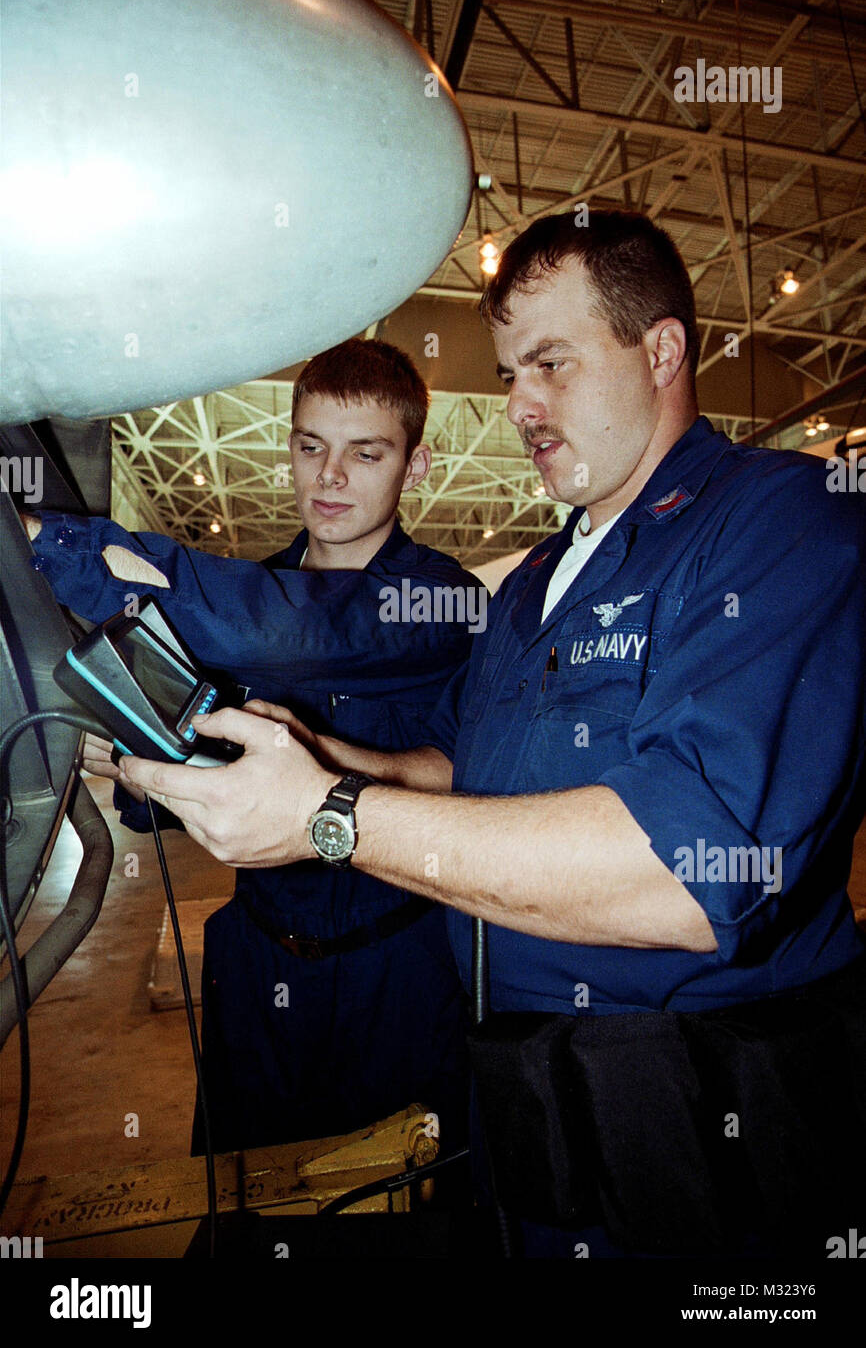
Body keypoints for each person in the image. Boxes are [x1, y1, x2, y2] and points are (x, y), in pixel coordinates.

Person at [116, 211, 866, 1257]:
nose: (517, 403)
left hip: (700, 1157)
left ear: (660, 351)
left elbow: (686, 871)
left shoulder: (781, 523)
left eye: (549, 363)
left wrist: (327, 814)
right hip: (532, 1138)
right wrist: (304, 759)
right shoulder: (529, 596)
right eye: (511, 373)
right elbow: (458, 773)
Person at [25, 337, 486, 1158]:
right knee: (244, 1202)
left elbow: (302, 628)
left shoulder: (443, 601)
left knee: (408, 1211)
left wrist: (40, 538)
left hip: (403, 970)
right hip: (259, 966)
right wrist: (135, 769)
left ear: (414, 468)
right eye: (311, 447)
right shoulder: (240, 610)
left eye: (365, 453)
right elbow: (176, 792)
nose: (330, 477)